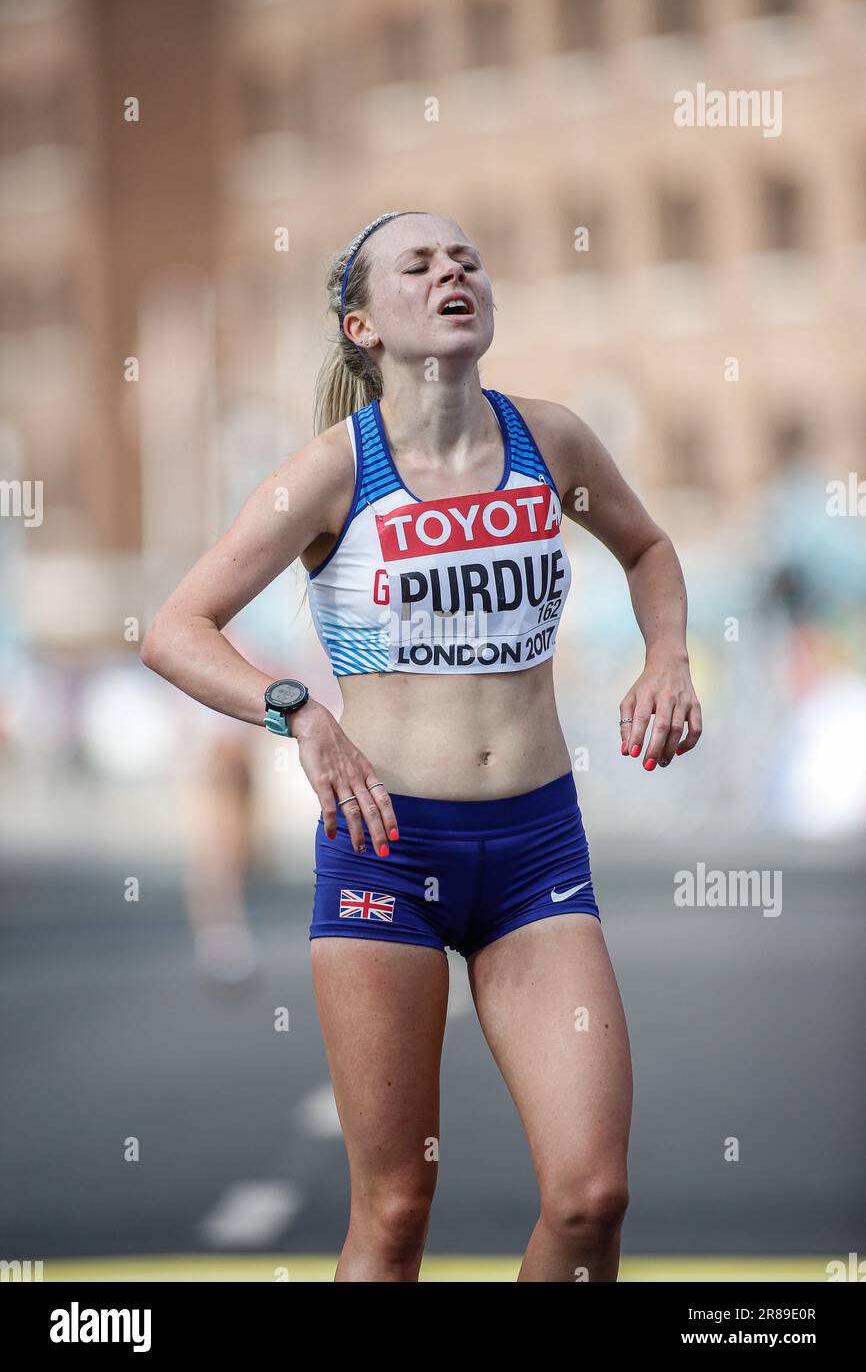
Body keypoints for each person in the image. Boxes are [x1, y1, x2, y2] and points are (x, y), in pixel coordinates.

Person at [141, 210, 702, 1282]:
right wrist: (297, 711)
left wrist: (665, 654)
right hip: (384, 854)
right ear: (363, 324)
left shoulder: (553, 439)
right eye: (419, 264)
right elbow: (175, 629)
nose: (453, 272)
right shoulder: (326, 473)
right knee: (394, 1210)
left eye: (468, 260)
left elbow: (646, 546)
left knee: (591, 1200)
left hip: (536, 852)